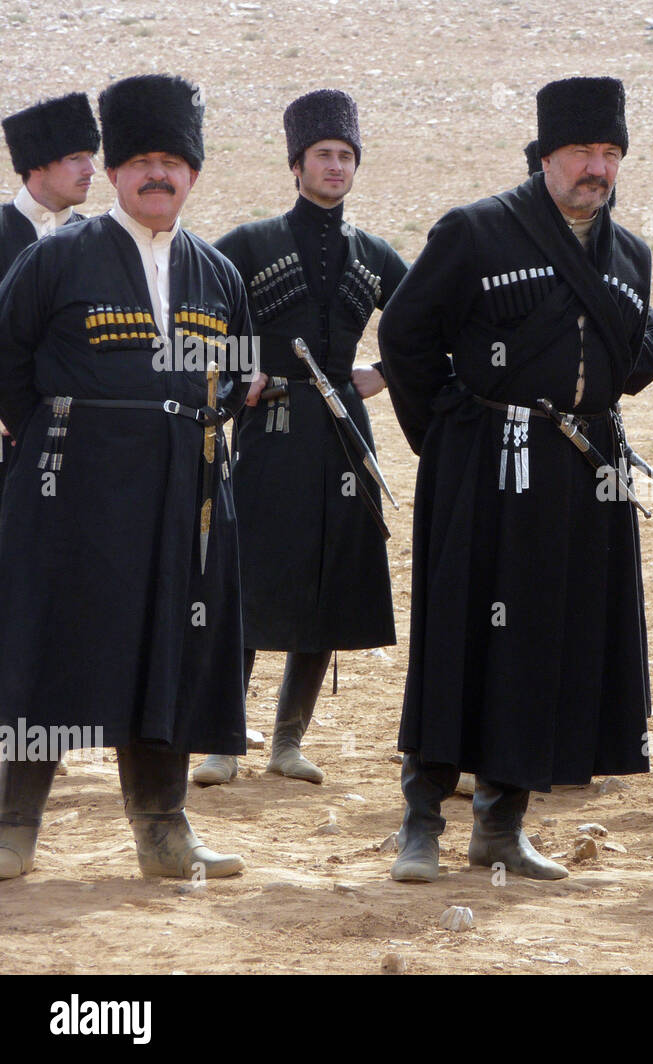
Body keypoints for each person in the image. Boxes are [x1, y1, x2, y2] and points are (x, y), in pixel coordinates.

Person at [379, 76, 653, 883]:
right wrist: (446, 435)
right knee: (460, 635)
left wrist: (604, 388)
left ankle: (502, 826)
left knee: (548, 639)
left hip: (581, 472)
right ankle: (421, 823)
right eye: (581, 152)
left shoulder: (631, 254)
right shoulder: (476, 230)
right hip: (483, 464)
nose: (596, 168)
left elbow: (641, 350)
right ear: (545, 157)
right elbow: (404, 333)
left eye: (609, 154)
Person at [0, 73, 255, 880]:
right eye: (141, 159)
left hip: (186, 500)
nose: (157, 174)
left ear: (194, 175)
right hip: (71, 496)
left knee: (170, 650)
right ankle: (12, 828)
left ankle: (163, 830)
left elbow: (238, 379)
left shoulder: (219, 275)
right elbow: (7, 363)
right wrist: (59, 441)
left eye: (173, 161)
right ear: (113, 173)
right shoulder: (56, 259)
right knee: (53, 645)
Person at [191, 89, 406, 788]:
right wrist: (231, 376)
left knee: (329, 582)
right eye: (323, 155)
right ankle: (225, 742)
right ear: (297, 164)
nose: (335, 167)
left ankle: (287, 742)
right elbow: (194, 316)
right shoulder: (249, 245)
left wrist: (387, 373)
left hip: (345, 434)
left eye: (346, 156)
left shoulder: (373, 253)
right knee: (251, 580)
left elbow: (430, 320)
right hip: (271, 430)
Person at [0, 92, 100, 504]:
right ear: (37, 165)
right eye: (76, 157)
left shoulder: (100, 243)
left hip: (83, 447)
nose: (91, 170)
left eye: (91, 157)